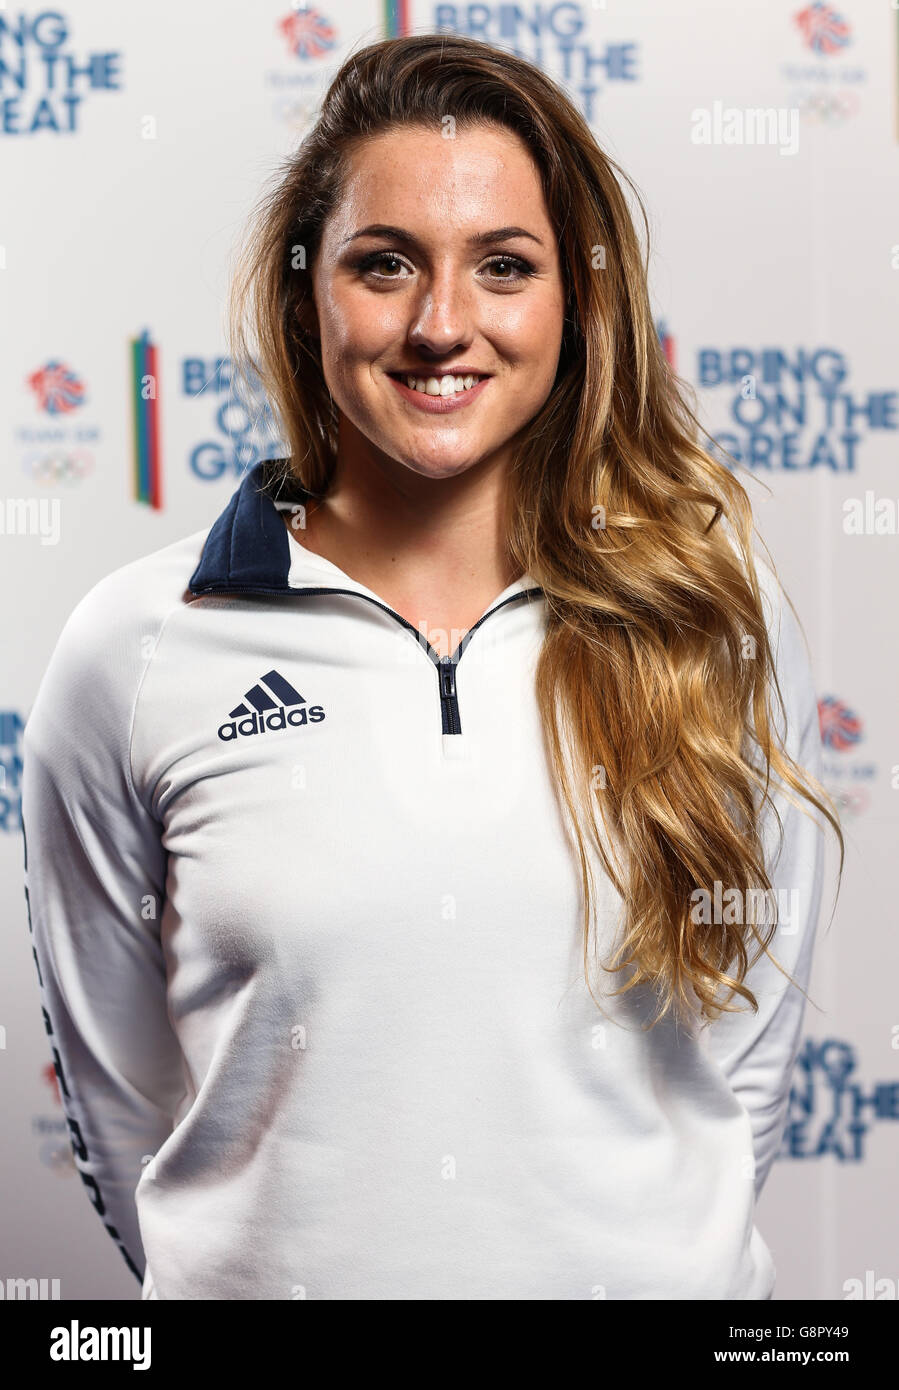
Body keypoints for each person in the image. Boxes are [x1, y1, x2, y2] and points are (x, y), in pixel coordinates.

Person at [21, 33, 843, 1300]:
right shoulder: (136, 648)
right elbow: (131, 1118)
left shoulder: (706, 619)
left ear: (575, 304)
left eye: (502, 267)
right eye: (383, 264)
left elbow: (735, 1082)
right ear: (309, 295)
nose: (440, 324)